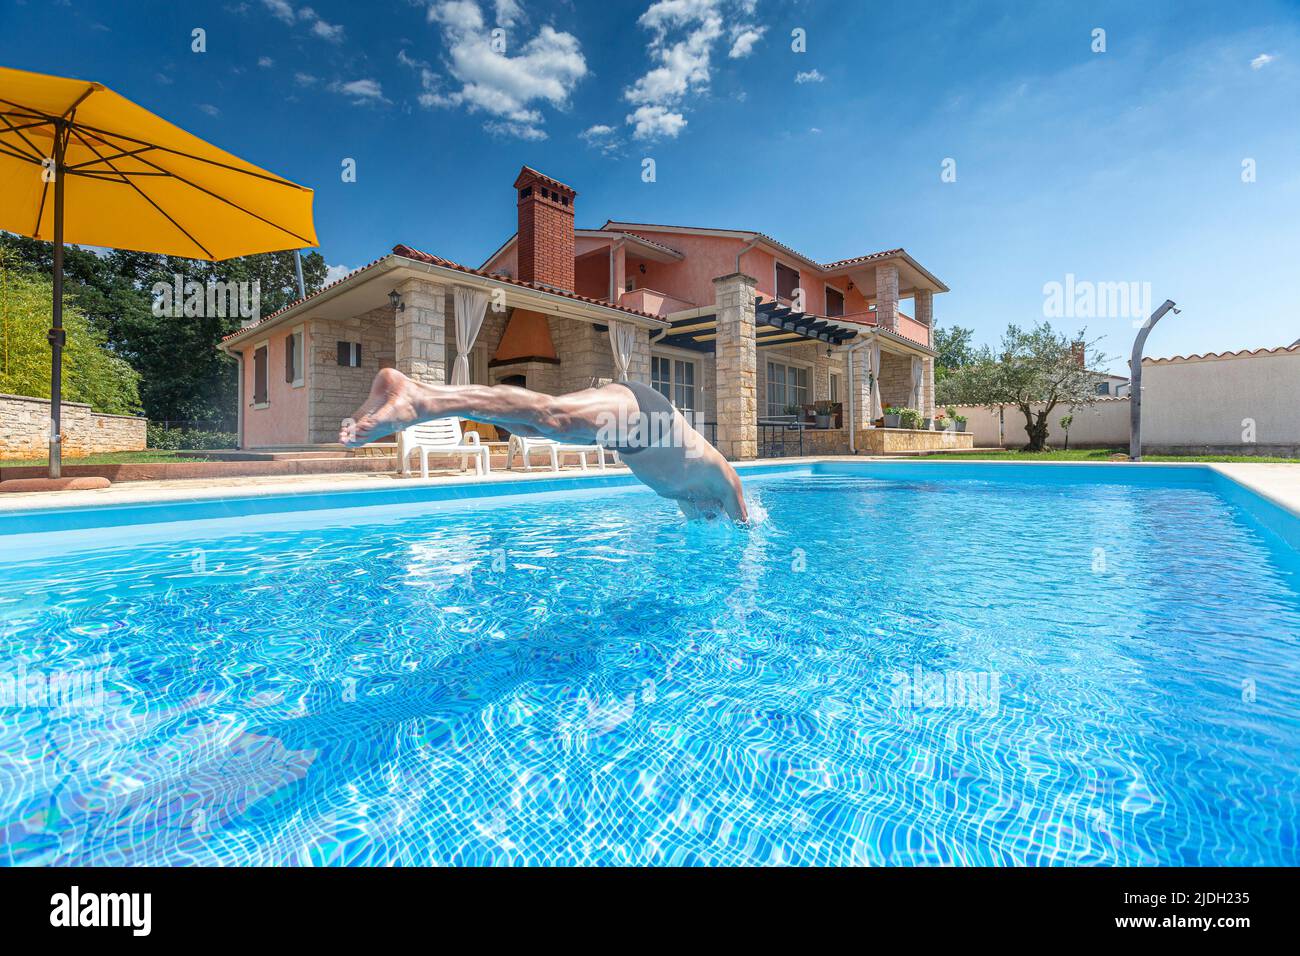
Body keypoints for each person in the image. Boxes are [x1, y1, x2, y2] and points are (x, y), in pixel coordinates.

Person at [341, 367, 748, 523]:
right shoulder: (725, 484)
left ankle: (423, 399)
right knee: (554, 417)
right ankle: (419, 396)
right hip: (651, 418)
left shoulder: (695, 503)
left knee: (536, 429)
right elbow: (742, 516)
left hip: (629, 440)